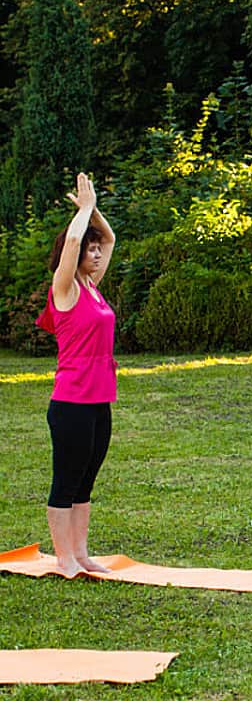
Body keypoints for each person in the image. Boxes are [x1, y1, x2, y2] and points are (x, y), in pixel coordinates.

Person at [35, 172, 116, 577]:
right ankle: (62, 557)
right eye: (91, 250)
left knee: (86, 480)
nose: (98, 254)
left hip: (100, 399)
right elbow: (71, 242)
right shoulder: (65, 288)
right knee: (66, 479)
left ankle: (81, 553)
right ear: (77, 254)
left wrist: (94, 208)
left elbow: (112, 239)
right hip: (70, 402)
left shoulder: (94, 286)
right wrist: (81, 214)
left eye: (98, 250)